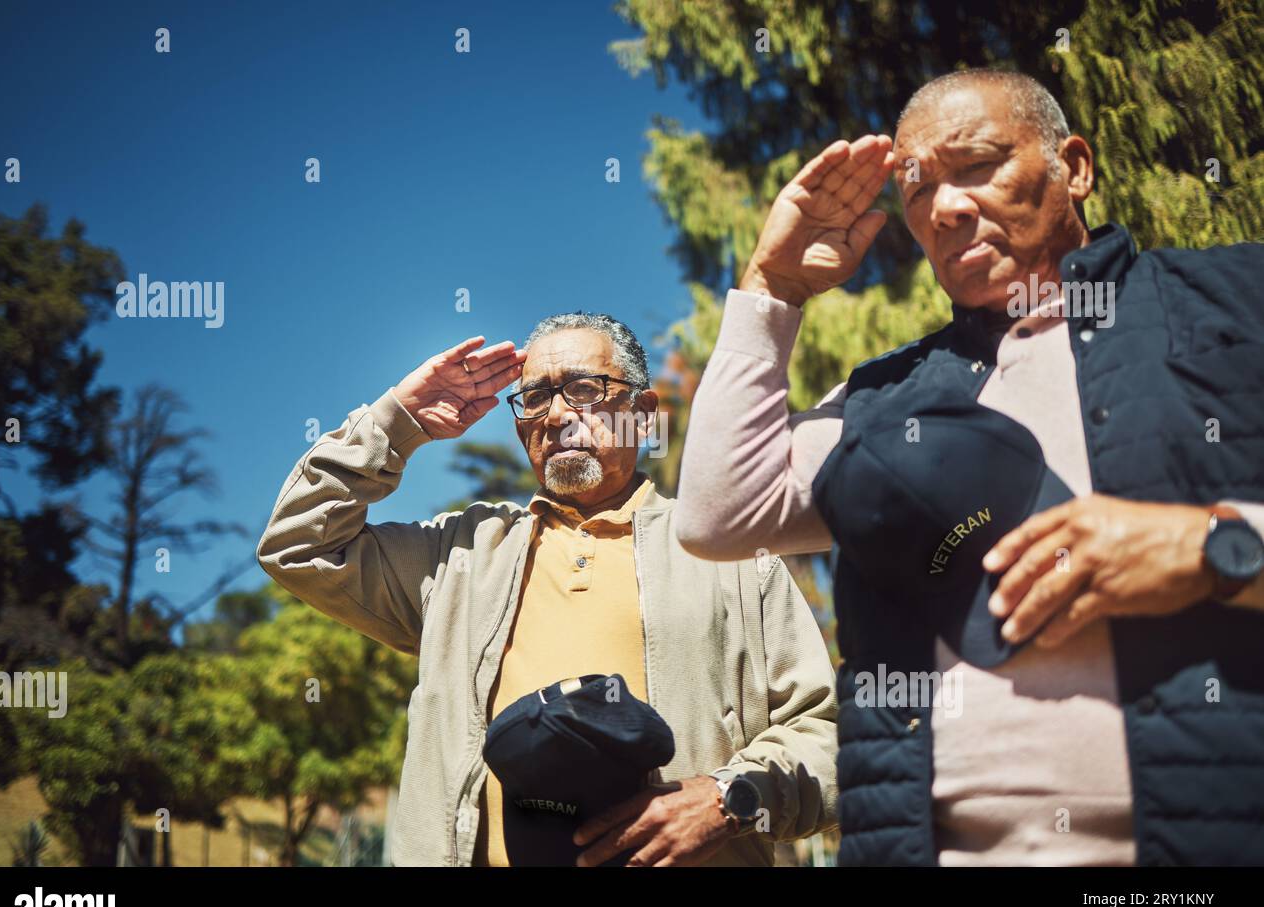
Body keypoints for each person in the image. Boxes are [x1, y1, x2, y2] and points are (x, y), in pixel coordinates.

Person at [675, 68, 1264, 865]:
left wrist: (1219, 547)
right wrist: (773, 287)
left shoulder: (1236, 301)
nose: (946, 207)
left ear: (1075, 168)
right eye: (917, 191)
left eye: (979, 165)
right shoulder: (887, 399)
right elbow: (720, 515)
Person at [257, 311, 839, 866]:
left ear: (642, 414)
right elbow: (298, 545)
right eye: (534, 397)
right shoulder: (463, 554)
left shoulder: (729, 557)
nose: (556, 415)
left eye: (584, 389)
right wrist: (396, 422)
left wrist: (724, 798)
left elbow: (826, 733)